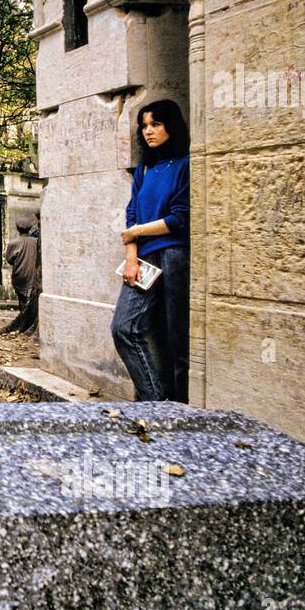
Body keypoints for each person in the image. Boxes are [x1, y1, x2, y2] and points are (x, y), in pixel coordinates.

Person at [110, 99, 190, 402]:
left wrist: (138, 232)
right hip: (143, 258)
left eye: (155, 124)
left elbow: (180, 219)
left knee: (177, 338)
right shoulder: (144, 169)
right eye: (144, 125)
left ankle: (181, 408)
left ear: (171, 125)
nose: (148, 131)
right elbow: (132, 215)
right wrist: (131, 257)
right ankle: (154, 402)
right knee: (123, 328)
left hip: (175, 255)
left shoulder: (186, 165)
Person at [3, 215, 40, 335]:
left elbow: (9, 259)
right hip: (33, 274)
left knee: (22, 300)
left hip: (20, 274)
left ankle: (24, 325)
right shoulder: (35, 241)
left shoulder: (13, 243)